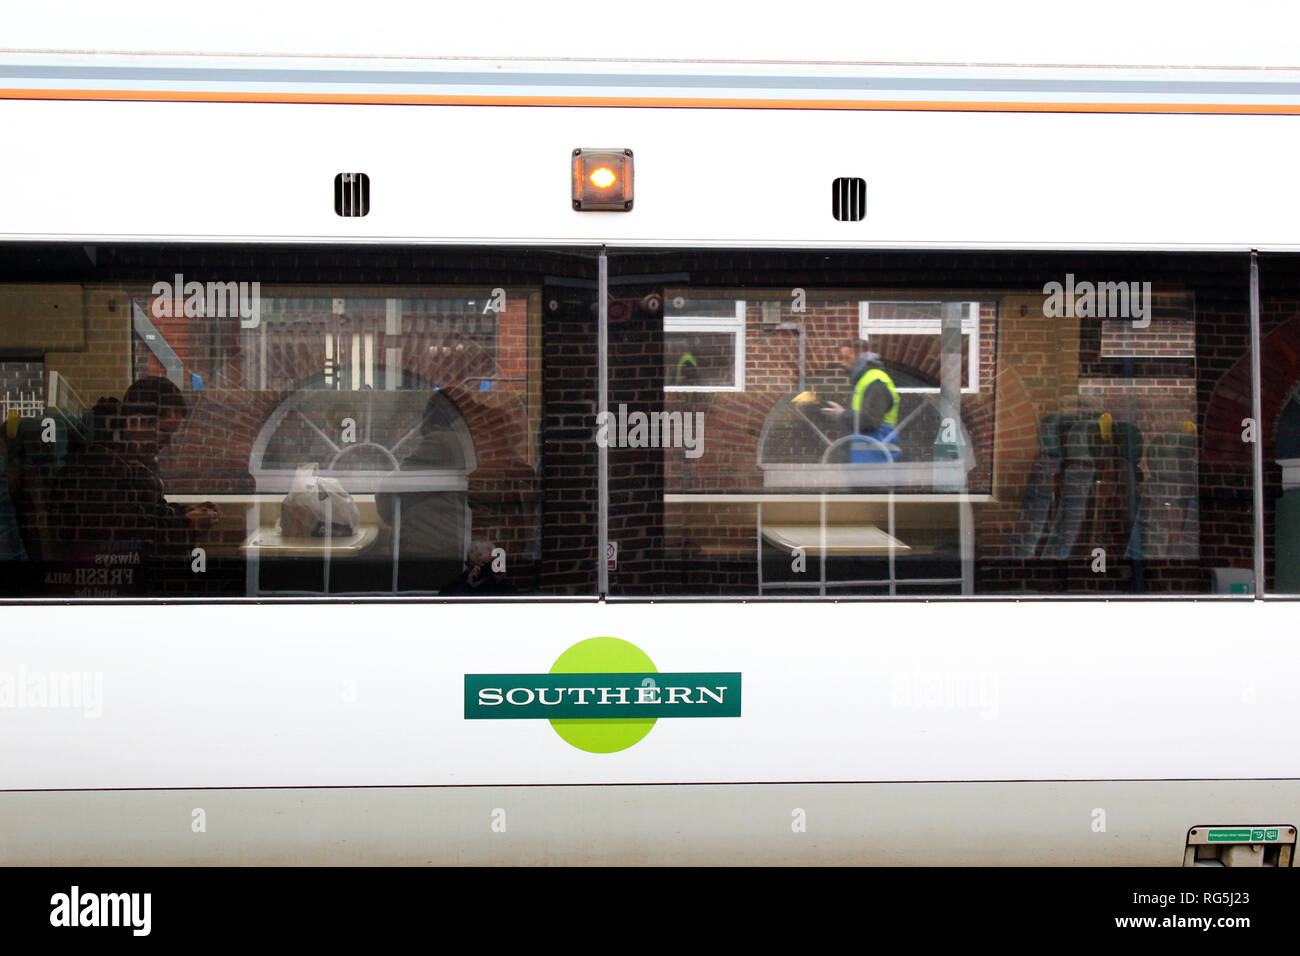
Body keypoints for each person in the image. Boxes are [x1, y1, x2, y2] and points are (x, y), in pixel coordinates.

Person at [821, 340, 902, 462]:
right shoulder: (864, 381)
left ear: (859, 356)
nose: (842, 363)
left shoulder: (875, 380)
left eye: (846, 358)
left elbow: (870, 420)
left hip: (877, 460)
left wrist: (842, 415)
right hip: (870, 458)